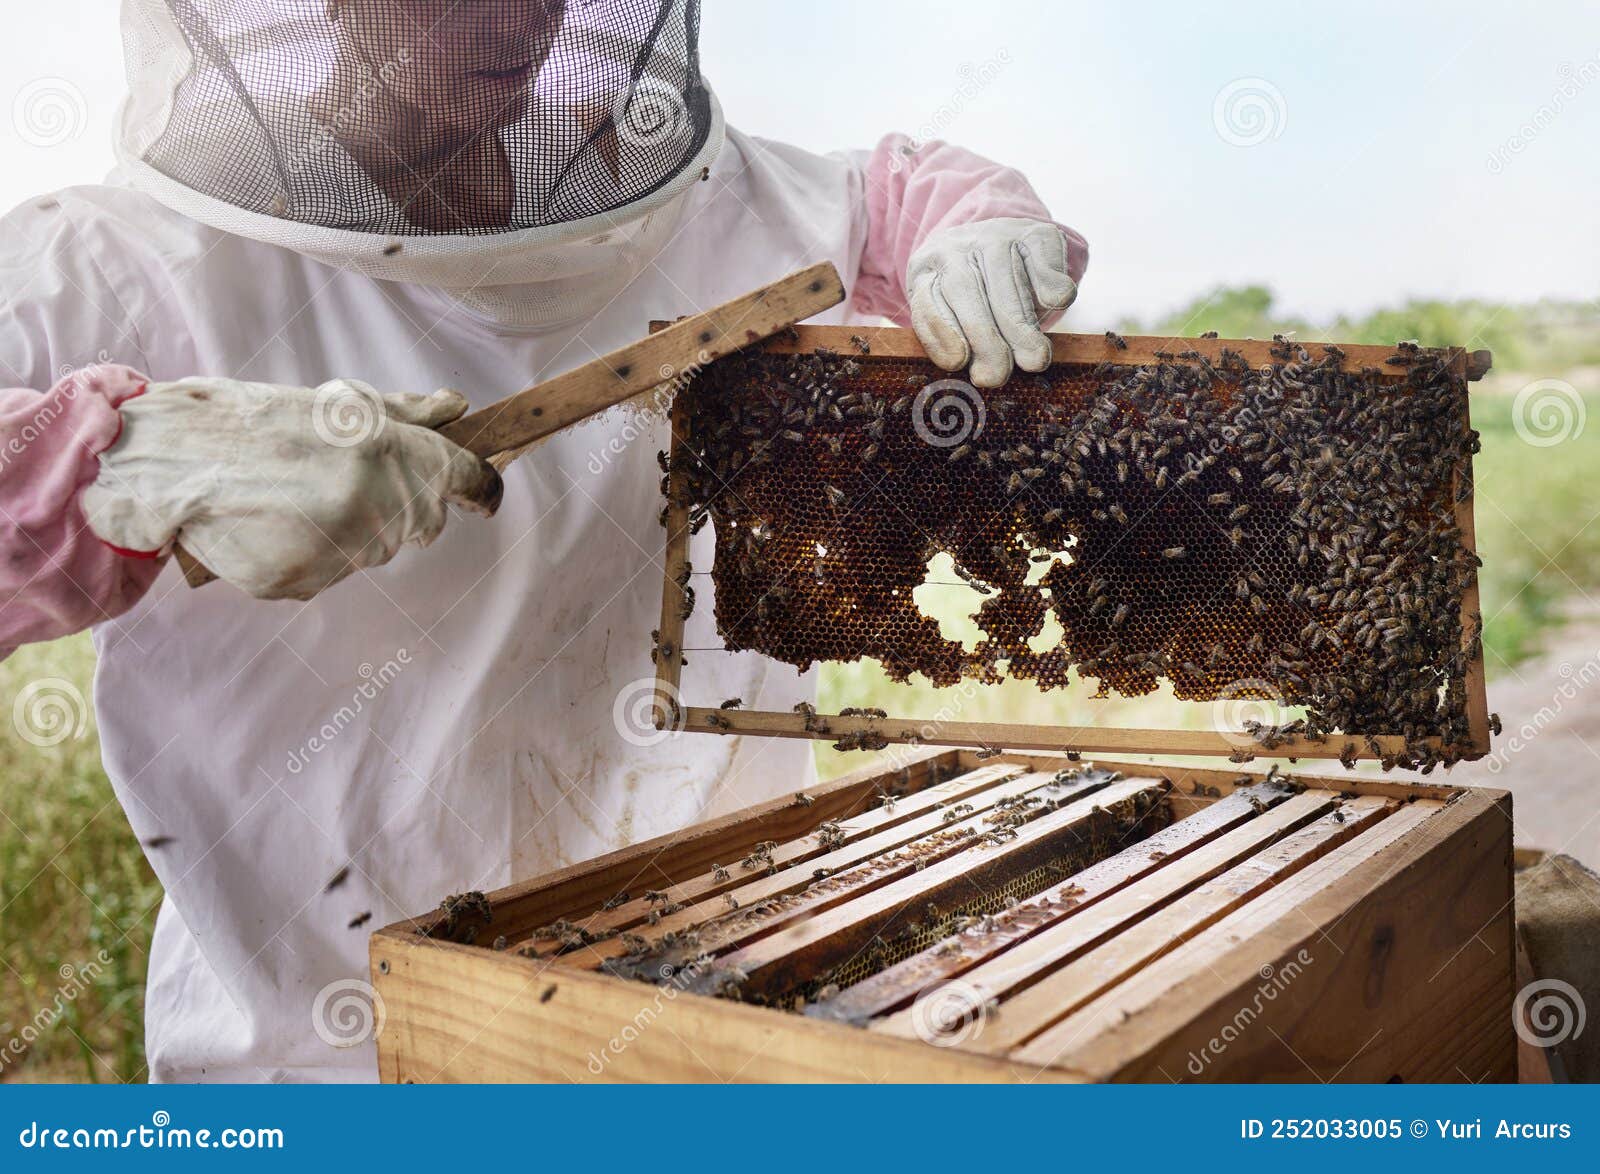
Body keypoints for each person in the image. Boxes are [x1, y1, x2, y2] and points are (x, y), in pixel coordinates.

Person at [0, 0, 1087, 1081]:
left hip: (715, 1013)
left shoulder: (689, 197)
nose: (526, 19)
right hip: (316, 1055)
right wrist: (127, 463)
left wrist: (966, 224)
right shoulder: (112, 263)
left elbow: (885, 196)